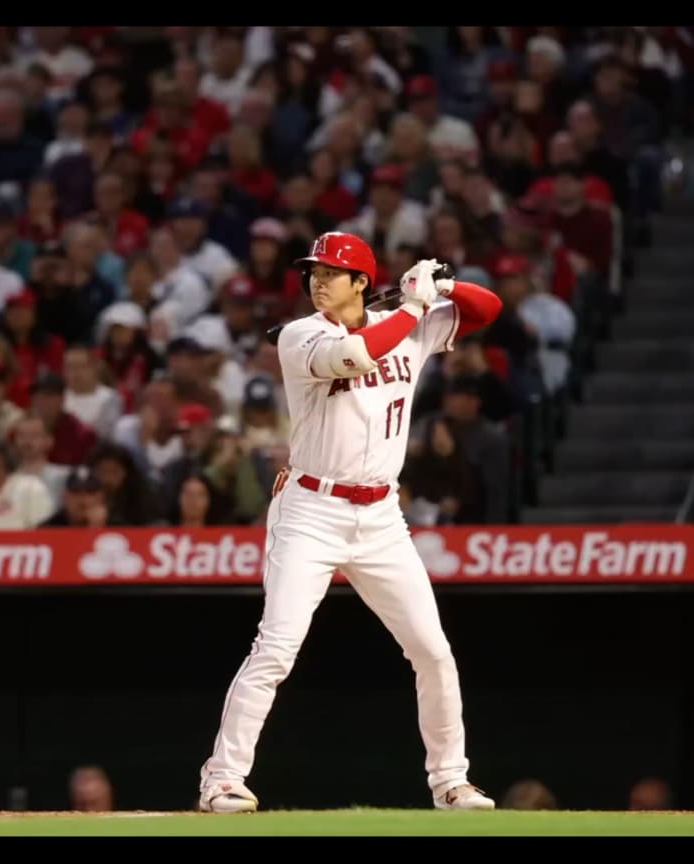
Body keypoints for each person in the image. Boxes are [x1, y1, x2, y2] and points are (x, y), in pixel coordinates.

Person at [197, 232, 503, 813]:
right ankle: (222, 778)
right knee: (278, 646)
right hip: (312, 508)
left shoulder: (407, 321)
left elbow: (488, 309)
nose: (317, 282)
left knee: (432, 650)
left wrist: (442, 287)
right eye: (312, 272)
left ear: (361, 281)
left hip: (382, 515)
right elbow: (361, 354)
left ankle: (451, 780)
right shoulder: (300, 335)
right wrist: (413, 306)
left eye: (330, 273)